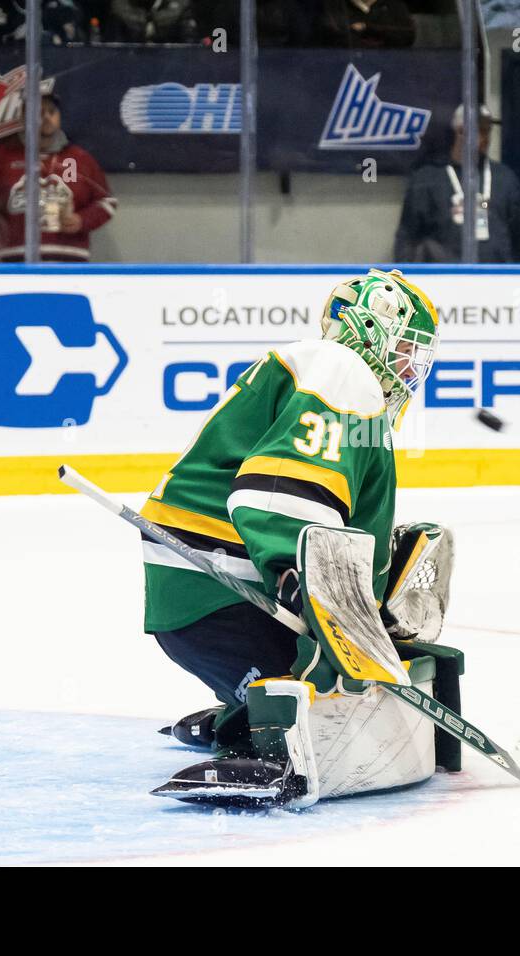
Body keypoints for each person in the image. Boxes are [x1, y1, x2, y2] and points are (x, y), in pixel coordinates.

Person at [140, 269, 460, 807]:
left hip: (207, 588)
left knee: (345, 679)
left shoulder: (338, 382)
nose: (412, 368)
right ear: (373, 329)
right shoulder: (343, 370)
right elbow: (275, 491)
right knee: (333, 700)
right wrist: (301, 574)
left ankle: (237, 717)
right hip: (226, 588)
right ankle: (268, 732)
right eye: (407, 348)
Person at [0, 93, 117, 263]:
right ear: (23, 118)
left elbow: (107, 201)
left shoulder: (80, 159)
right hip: (14, 263)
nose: (46, 117)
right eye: (38, 112)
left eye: (52, 111)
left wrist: (81, 220)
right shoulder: (0, 158)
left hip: (70, 262)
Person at [393, 104, 520, 263]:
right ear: (461, 132)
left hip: (497, 280)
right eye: (480, 131)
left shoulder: (504, 178)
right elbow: (406, 238)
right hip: (443, 282)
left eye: (488, 130)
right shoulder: (428, 179)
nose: (486, 138)